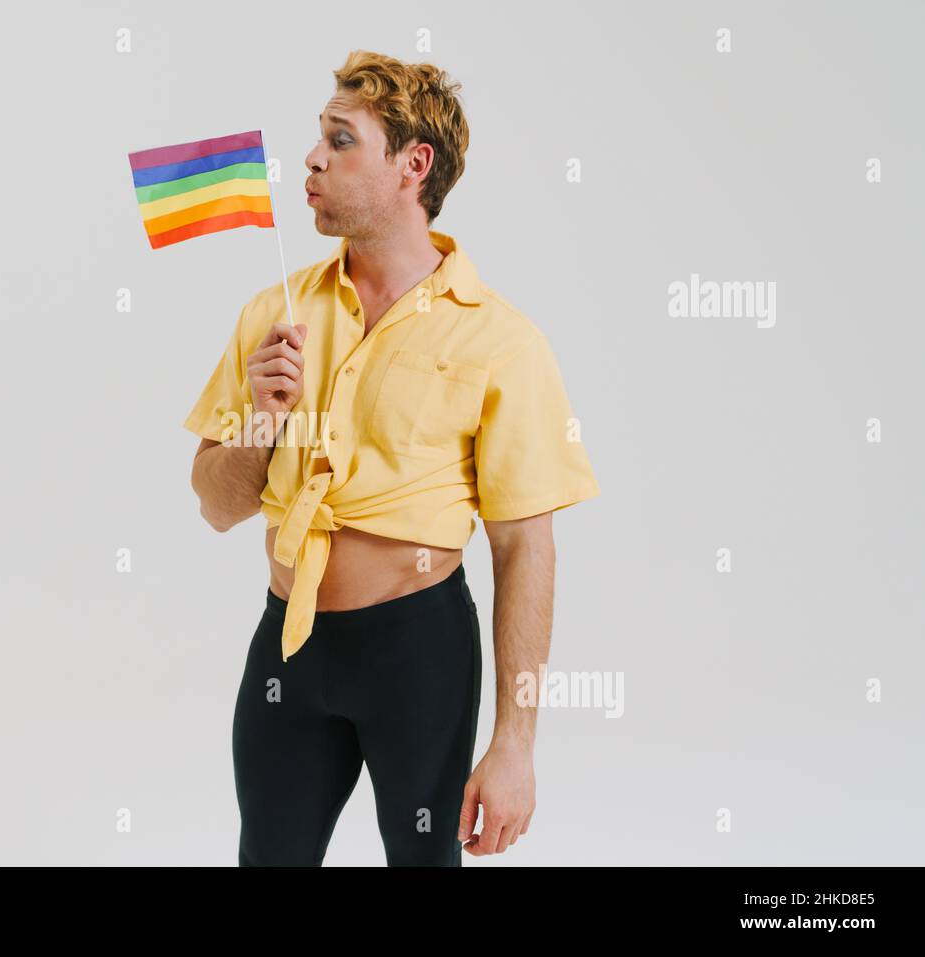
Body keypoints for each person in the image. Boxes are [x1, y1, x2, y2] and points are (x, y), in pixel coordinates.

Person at [183, 50, 601, 866]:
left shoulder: (500, 340)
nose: (311, 159)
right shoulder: (277, 314)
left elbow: (525, 547)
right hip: (287, 649)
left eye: (342, 141)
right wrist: (262, 423)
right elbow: (216, 503)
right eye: (319, 137)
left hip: (417, 655)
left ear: (415, 165)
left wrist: (515, 744)